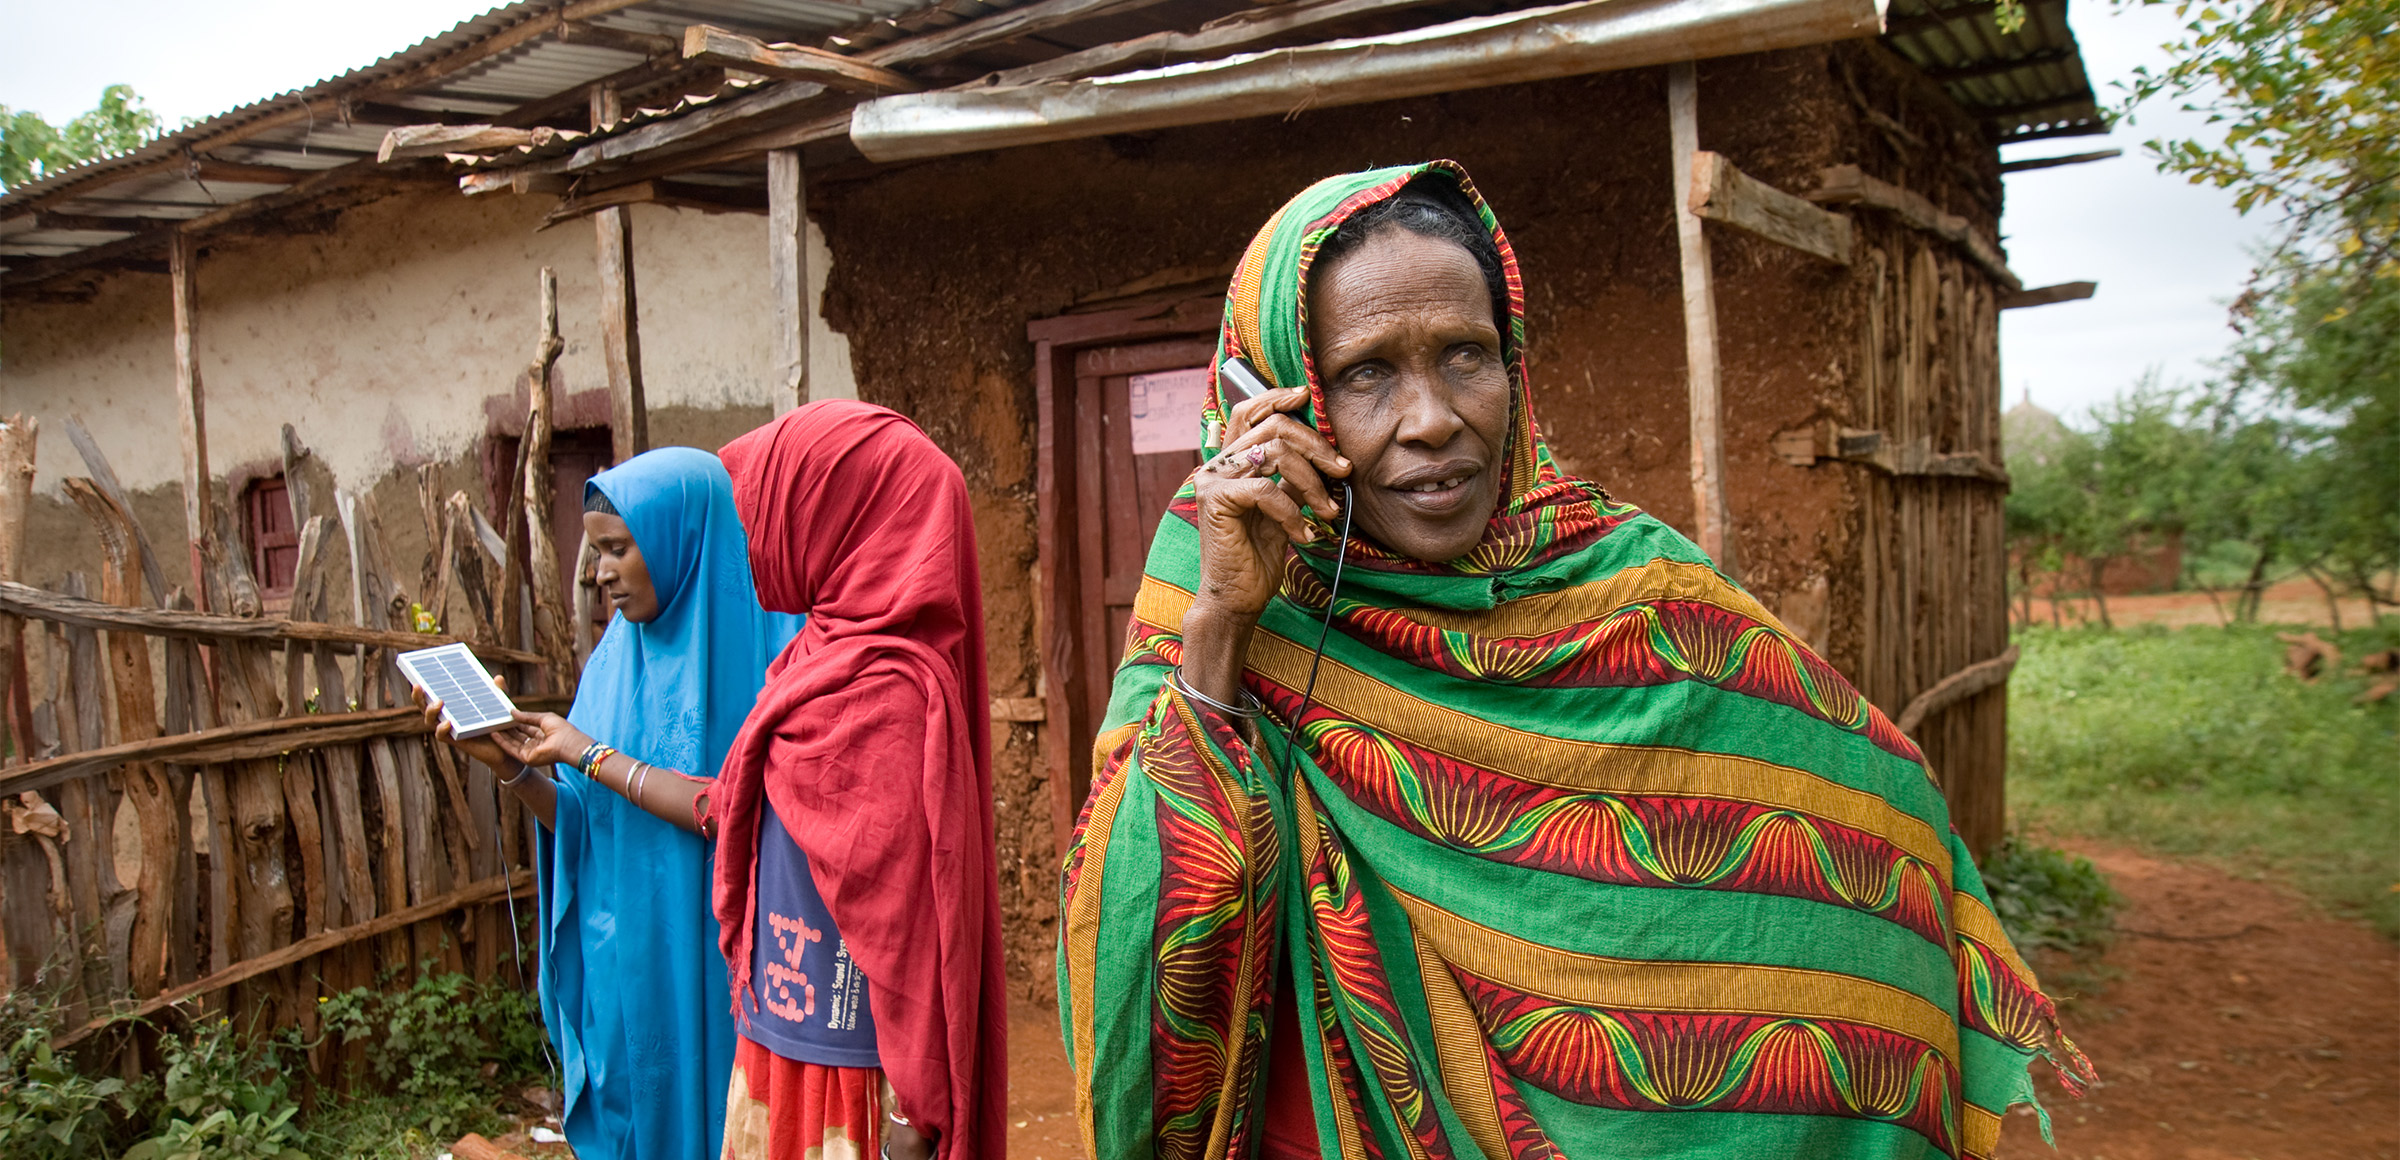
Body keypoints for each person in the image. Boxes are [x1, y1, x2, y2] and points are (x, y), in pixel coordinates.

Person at [1059, 162, 2091, 1160]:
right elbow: (1128, 970)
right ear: (1278, 395)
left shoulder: (1643, 594)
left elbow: (1867, 818)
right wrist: (1224, 630)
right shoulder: (1215, 595)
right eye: (1365, 373)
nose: (1433, 419)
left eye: (1466, 355)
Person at [422, 447, 800, 1160]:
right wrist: (510, 769)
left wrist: (588, 754)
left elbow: (741, 810)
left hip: (741, 966)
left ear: (681, 538)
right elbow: (586, 824)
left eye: (618, 549)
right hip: (638, 962)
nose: (600, 573)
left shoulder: (780, 659)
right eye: (597, 552)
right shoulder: (611, 666)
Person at [702, 400, 1007, 1160]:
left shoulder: (889, 699)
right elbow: (745, 809)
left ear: (835, 520)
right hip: (778, 1040)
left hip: (852, 1079)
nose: (751, 541)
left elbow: (910, 930)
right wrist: (583, 756)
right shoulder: (814, 660)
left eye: (766, 517)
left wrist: (914, 1116)